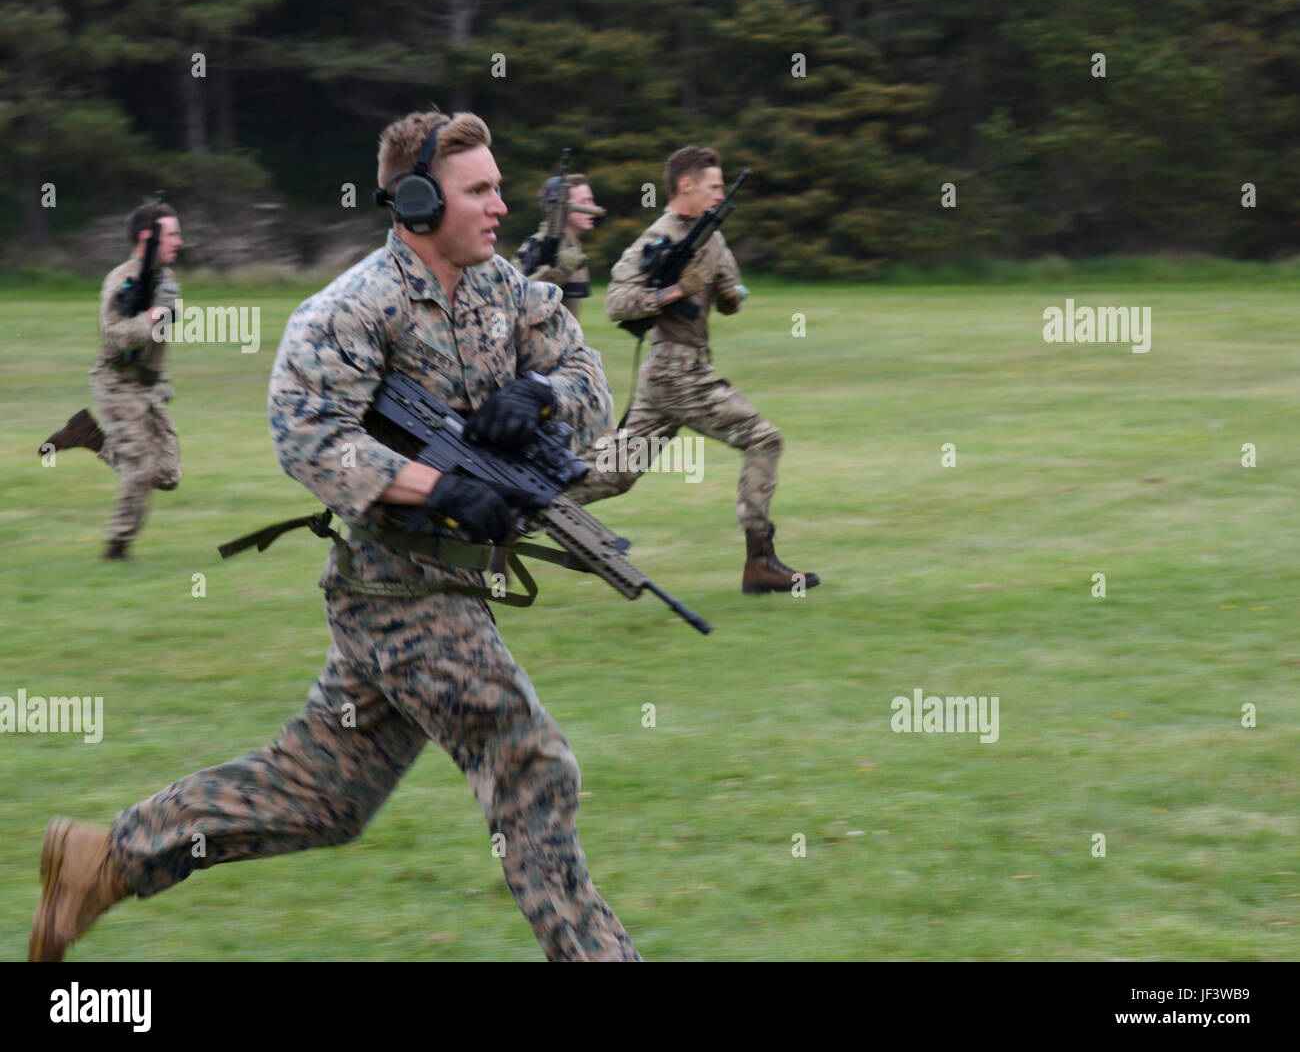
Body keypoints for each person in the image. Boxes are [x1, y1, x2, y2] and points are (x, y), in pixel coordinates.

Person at [29, 109, 641, 963]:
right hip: (395, 589)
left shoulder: (509, 289)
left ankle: (105, 859)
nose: (501, 205)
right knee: (531, 762)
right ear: (420, 202)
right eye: (481, 190)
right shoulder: (353, 307)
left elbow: (588, 385)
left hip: (453, 585)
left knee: (322, 796)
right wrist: (445, 488)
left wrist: (537, 392)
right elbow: (308, 432)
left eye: (499, 186)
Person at [565, 146, 821, 594]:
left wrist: (728, 294)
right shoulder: (656, 237)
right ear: (687, 186)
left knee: (616, 474)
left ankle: (521, 511)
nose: (721, 194)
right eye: (715, 186)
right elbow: (615, 304)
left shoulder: (712, 236)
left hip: (674, 372)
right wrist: (673, 292)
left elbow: (729, 299)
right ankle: (759, 561)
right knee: (764, 439)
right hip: (675, 371)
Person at [39, 202, 184, 560]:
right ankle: (117, 548)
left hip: (148, 387)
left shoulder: (166, 282)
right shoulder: (121, 281)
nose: (180, 242)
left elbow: (159, 341)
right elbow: (115, 338)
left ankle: (86, 435)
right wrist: (150, 317)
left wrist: (159, 382)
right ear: (147, 238)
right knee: (139, 470)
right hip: (116, 383)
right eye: (173, 234)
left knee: (166, 475)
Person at [511, 172, 603, 319]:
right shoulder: (536, 247)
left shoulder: (572, 247)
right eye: (584, 202)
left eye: (591, 200)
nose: (593, 207)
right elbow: (515, 303)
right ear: (560, 207)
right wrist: (561, 271)